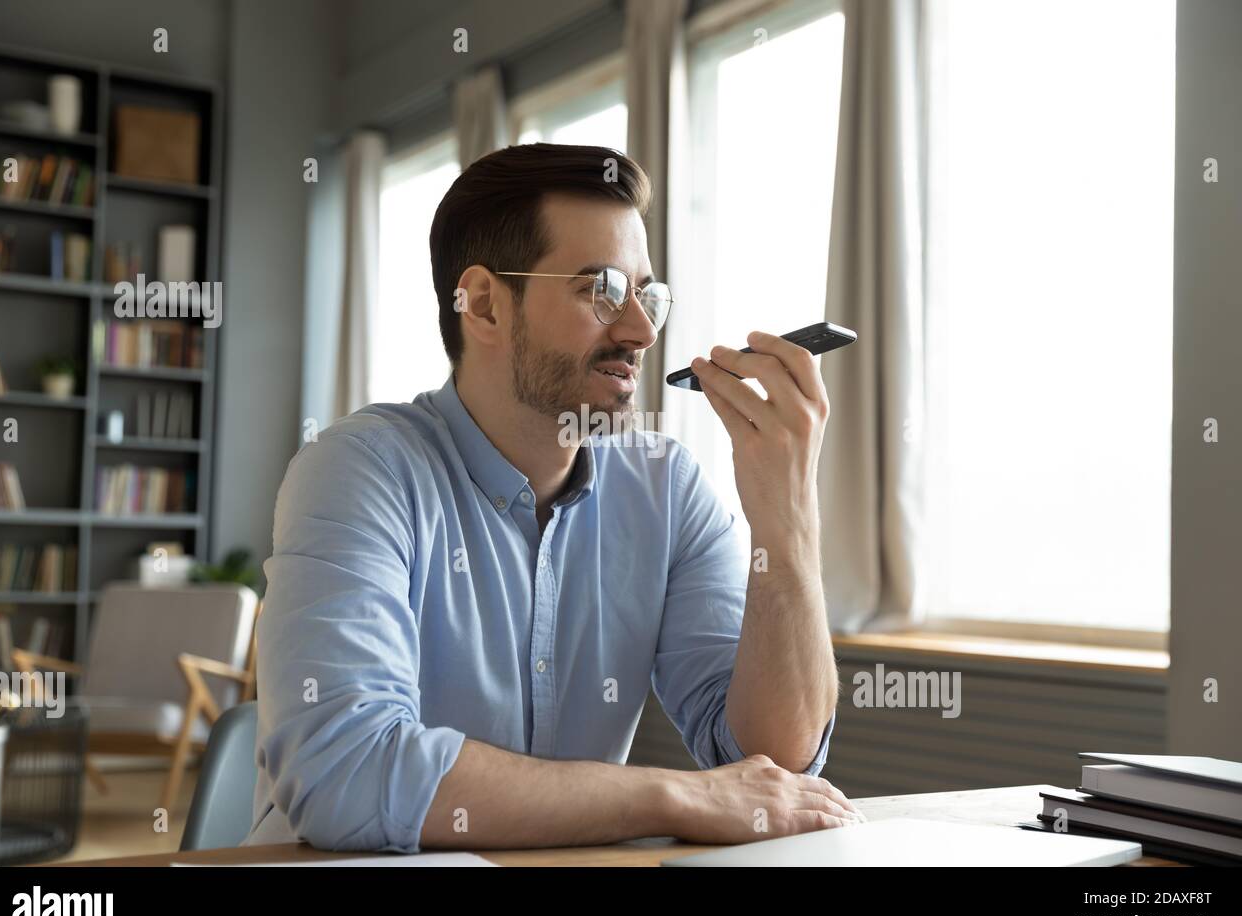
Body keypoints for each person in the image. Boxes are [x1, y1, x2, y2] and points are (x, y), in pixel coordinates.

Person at [245, 143, 862, 852]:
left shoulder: (666, 486)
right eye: (600, 289)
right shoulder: (359, 470)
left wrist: (787, 525)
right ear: (483, 305)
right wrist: (676, 796)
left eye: (646, 294)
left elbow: (772, 769)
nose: (641, 330)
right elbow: (346, 773)